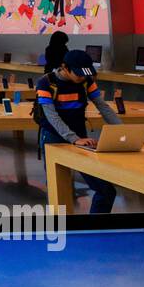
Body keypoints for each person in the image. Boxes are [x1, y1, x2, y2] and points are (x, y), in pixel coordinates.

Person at [35, 50, 120, 213]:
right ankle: (63, 232)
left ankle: (95, 233)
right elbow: (52, 116)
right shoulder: (46, 83)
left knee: (106, 190)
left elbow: (103, 106)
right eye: (79, 74)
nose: (82, 78)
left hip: (81, 139)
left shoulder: (86, 81)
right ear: (65, 68)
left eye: (85, 74)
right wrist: (73, 138)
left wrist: (124, 131)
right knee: (58, 189)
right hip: (54, 138)